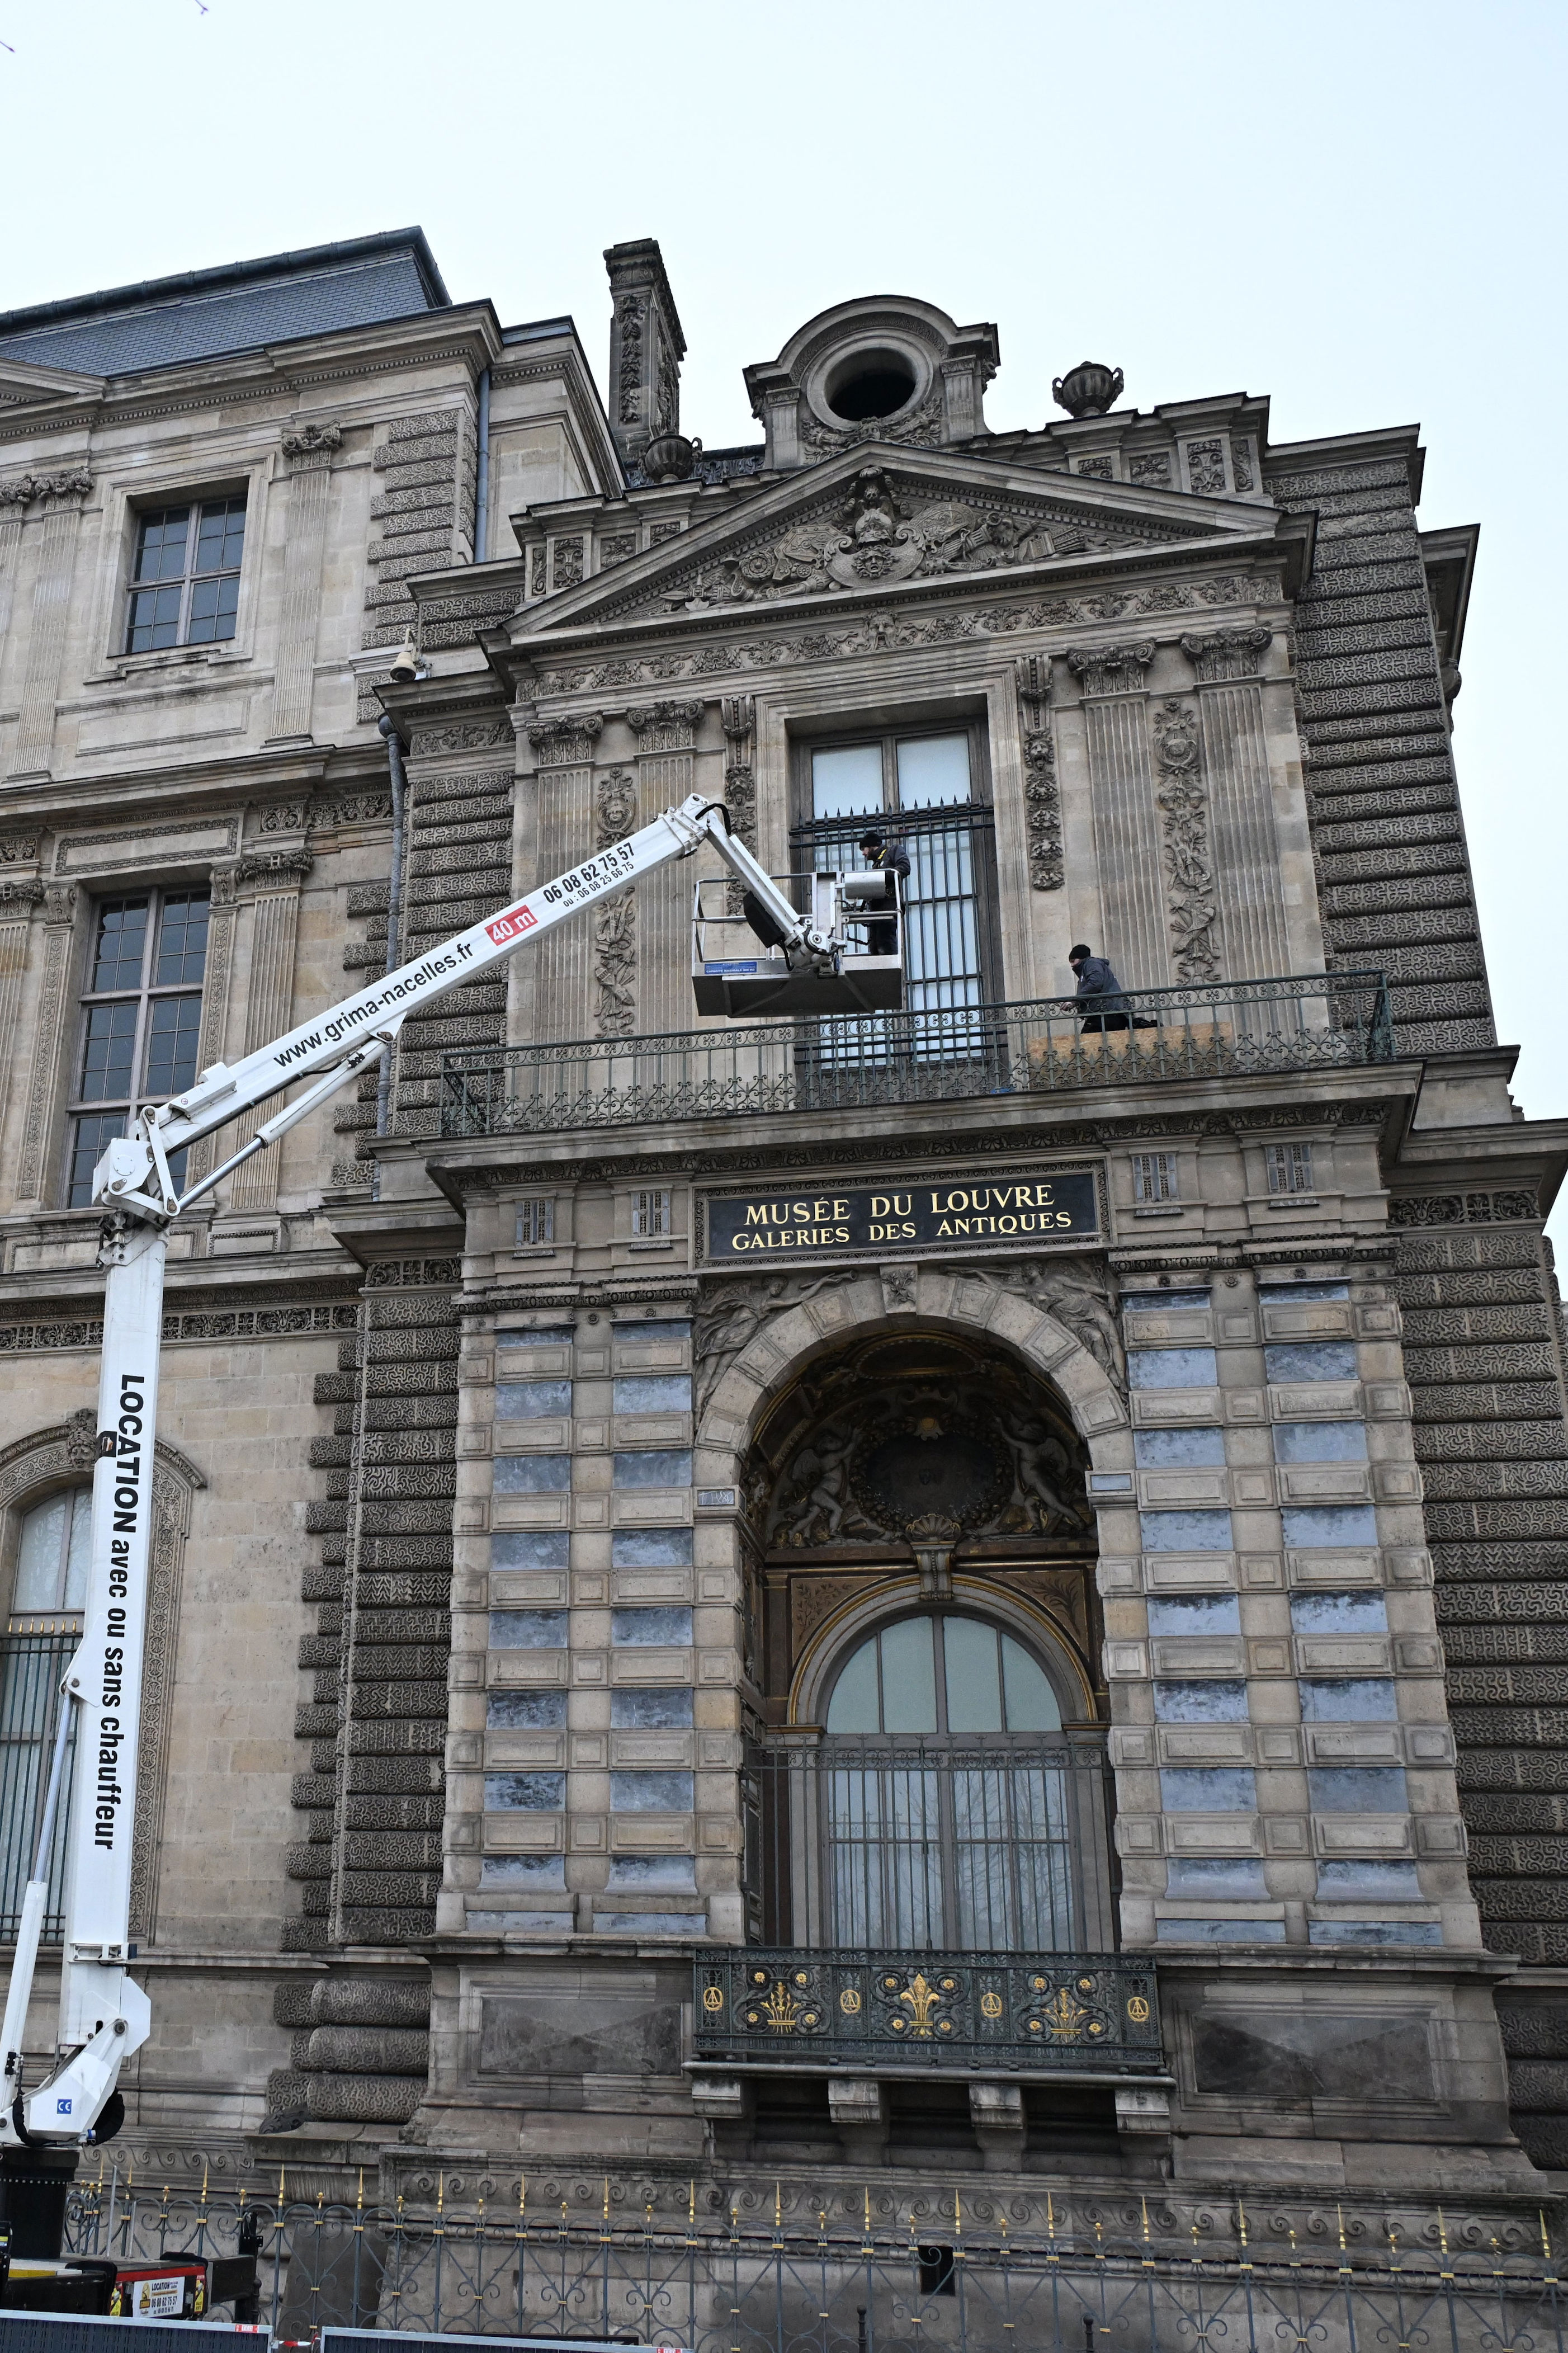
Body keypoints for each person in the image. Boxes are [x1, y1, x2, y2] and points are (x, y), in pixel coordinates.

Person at [857, 828, 910, 957]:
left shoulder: (893, 851)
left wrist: (881, 878)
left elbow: (904, 868)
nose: (863, 854)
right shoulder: (876, 864)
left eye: (863, 850)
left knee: (886, 943)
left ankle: (891, 972)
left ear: (870, 846)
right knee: (875, 947)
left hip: (889, 905)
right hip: (876, 909)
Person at [1069, 942, 1134, 1032]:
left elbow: (1095, 983)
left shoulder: (1092, 963)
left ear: (1081, 958)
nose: (1072, 965)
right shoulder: (1091, 966)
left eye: (1073, 961)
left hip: (1108, 1011)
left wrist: (1074, 1001)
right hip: (1108, 1011)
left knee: (1086, 1042)